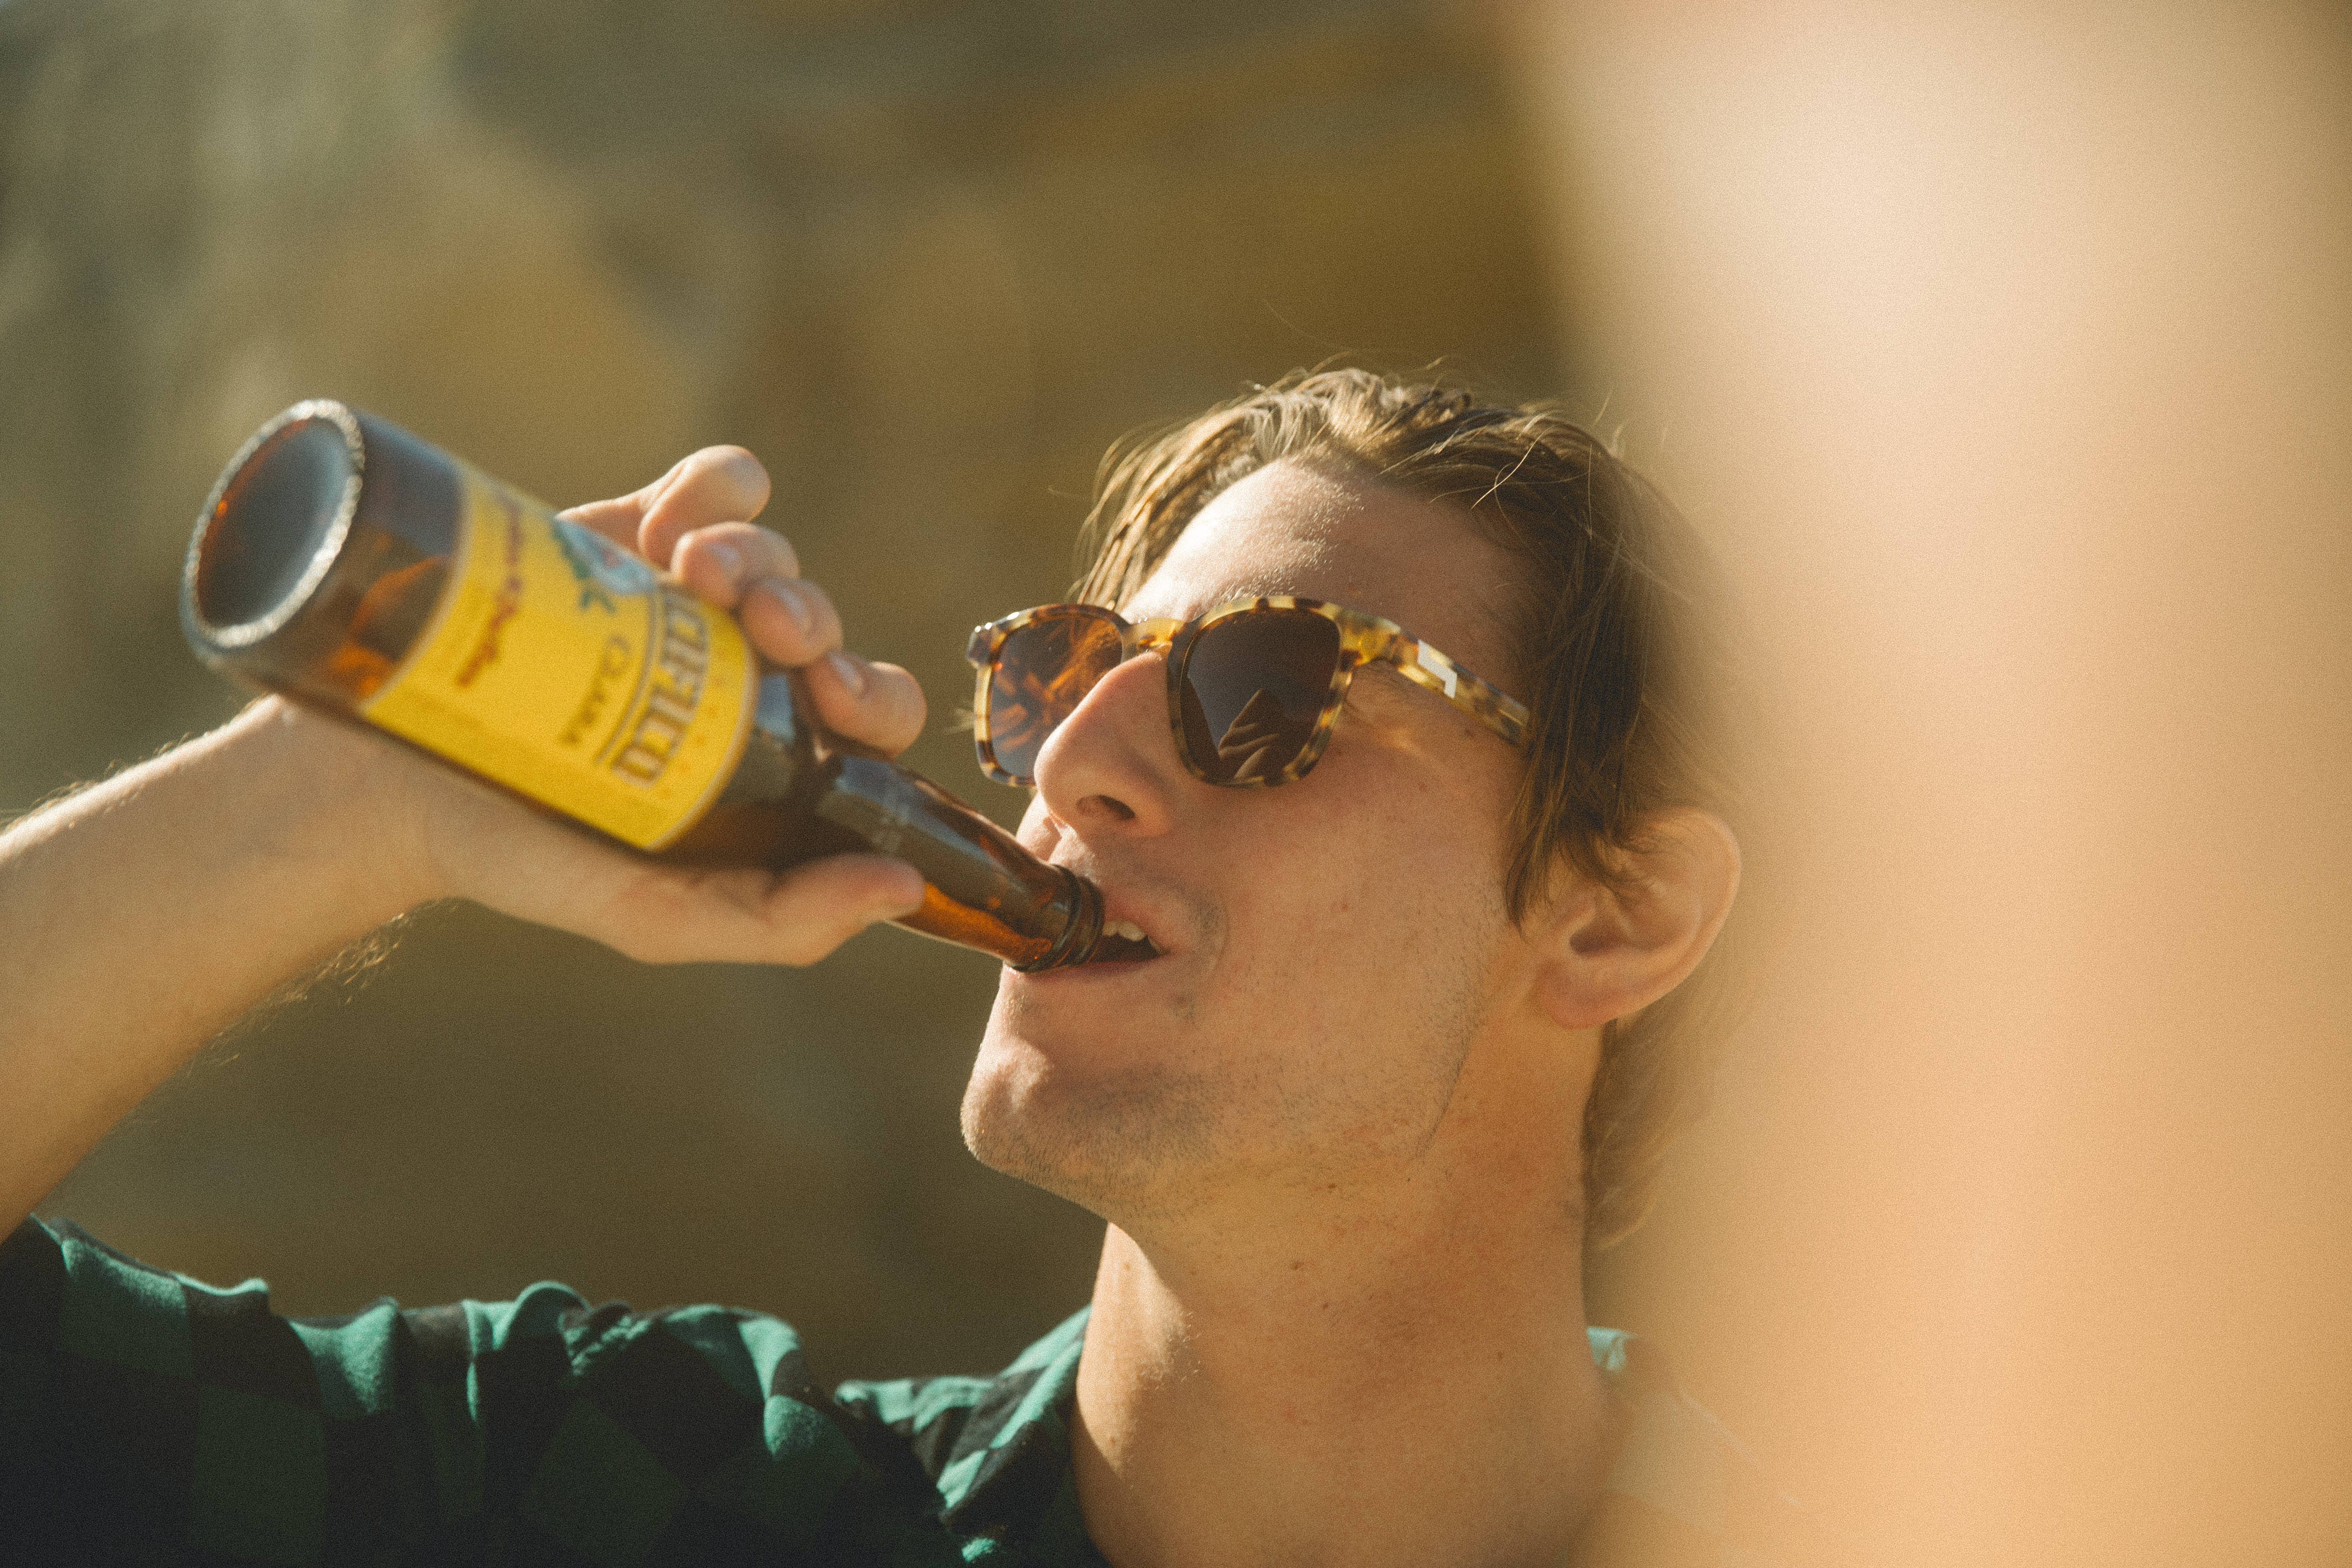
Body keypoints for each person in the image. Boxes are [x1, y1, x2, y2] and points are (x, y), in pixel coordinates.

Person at [0, 370, 1804, 1565]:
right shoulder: (654, 1504)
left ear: (1611, 915)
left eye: (1268, 686)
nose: (1068, 756)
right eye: (1058, 671)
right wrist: (355, 794)